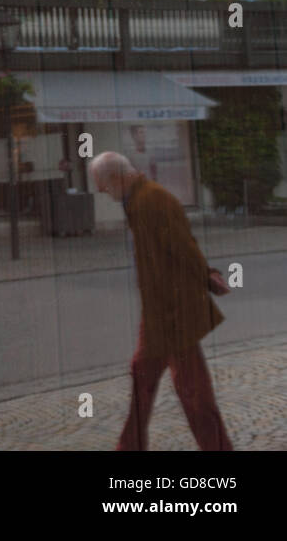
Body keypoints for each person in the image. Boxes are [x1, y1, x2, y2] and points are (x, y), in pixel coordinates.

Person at [89, 151, 233, 451]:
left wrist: (207, 275)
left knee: (195, 396)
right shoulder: (137, 201)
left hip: (174, 314)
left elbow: (184, 246)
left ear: (116, 177)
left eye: (102, 185)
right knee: (142, 377)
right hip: (157, 314)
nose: (102, 192)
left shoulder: (153, 199)